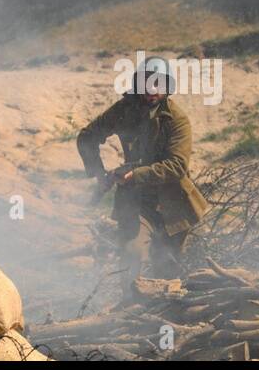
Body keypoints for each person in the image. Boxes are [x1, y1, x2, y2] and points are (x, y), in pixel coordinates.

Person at [77, 55, 209, 281]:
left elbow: (177, 166)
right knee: (131, 254)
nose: (152, 88)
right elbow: (87, 137)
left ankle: (163, 309)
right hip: (135, 202)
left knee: (167, 267)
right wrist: (99, 173)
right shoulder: (124, 109)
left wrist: (136, 174)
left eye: (158, 83)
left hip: (172, 204)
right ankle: (128, 306)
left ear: (167, 86)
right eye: (147, 82)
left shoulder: (177, 119)